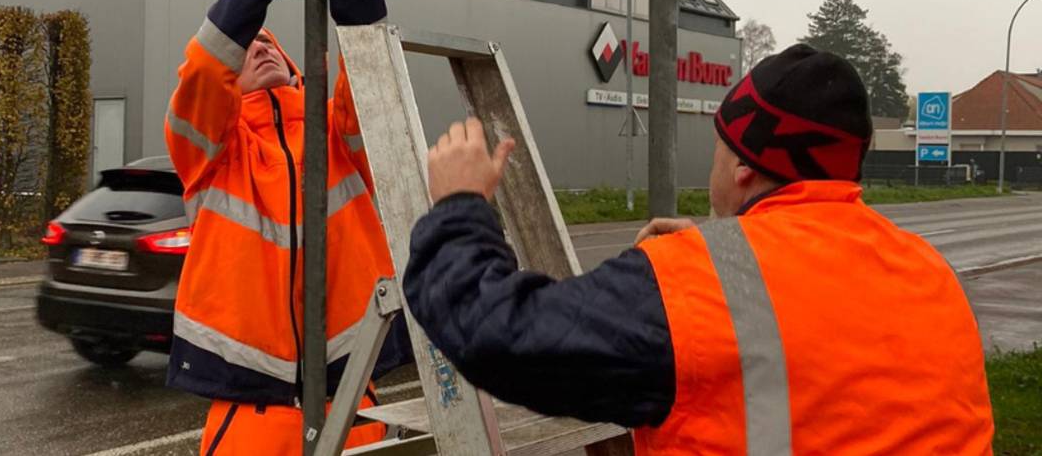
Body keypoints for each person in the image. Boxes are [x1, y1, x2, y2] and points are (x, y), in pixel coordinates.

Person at [403, 45, 994, 454]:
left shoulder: (699, 282)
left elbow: (500, 335)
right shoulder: (925, 268)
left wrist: (459, 205)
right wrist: (726, 260)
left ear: (741, 165)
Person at [165, 0, 407, 455]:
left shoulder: (336, 134)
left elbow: (371, 65)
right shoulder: (212, 155)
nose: (263, 46)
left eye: (272, 44)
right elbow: (204, 66)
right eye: (249, 49)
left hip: (353, 397)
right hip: (250, 413)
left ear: (296, 67)